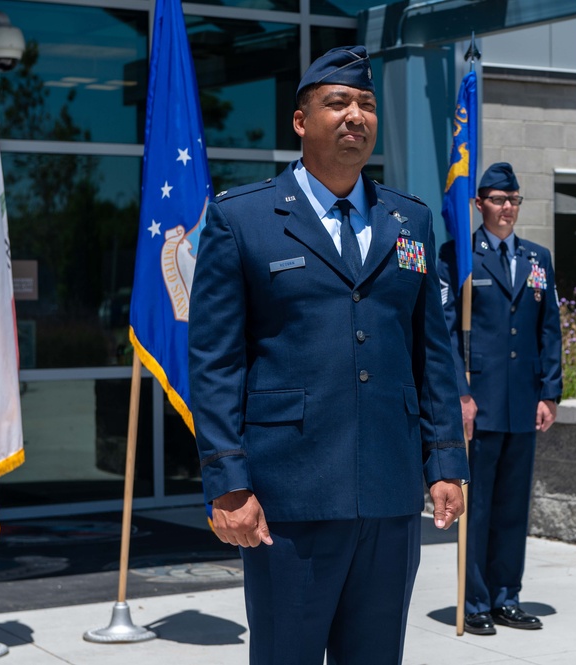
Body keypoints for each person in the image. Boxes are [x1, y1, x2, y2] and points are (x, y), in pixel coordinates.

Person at [188, 45, 469, 664]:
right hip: (290, 499)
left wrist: (446, 458)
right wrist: (228, 481)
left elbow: (434, 352)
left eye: (366, 104)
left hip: (390, 498)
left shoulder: (410, 221)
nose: (355, 115)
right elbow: (214, 361)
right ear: (300, 120)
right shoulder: (244, 220)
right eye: (337, 102)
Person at [437, 162, 562, 636]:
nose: (506, 208)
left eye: (513, 200)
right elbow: (446, 334)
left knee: (513, 507)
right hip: (479, 404)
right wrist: (460, 395)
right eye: (497, 199)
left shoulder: (537, 259)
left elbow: (549, 329)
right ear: (478, 204)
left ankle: (507, 596)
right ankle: (475, 602)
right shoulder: (459, 257)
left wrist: (550, 392)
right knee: (481, 507)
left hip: (523, 402)